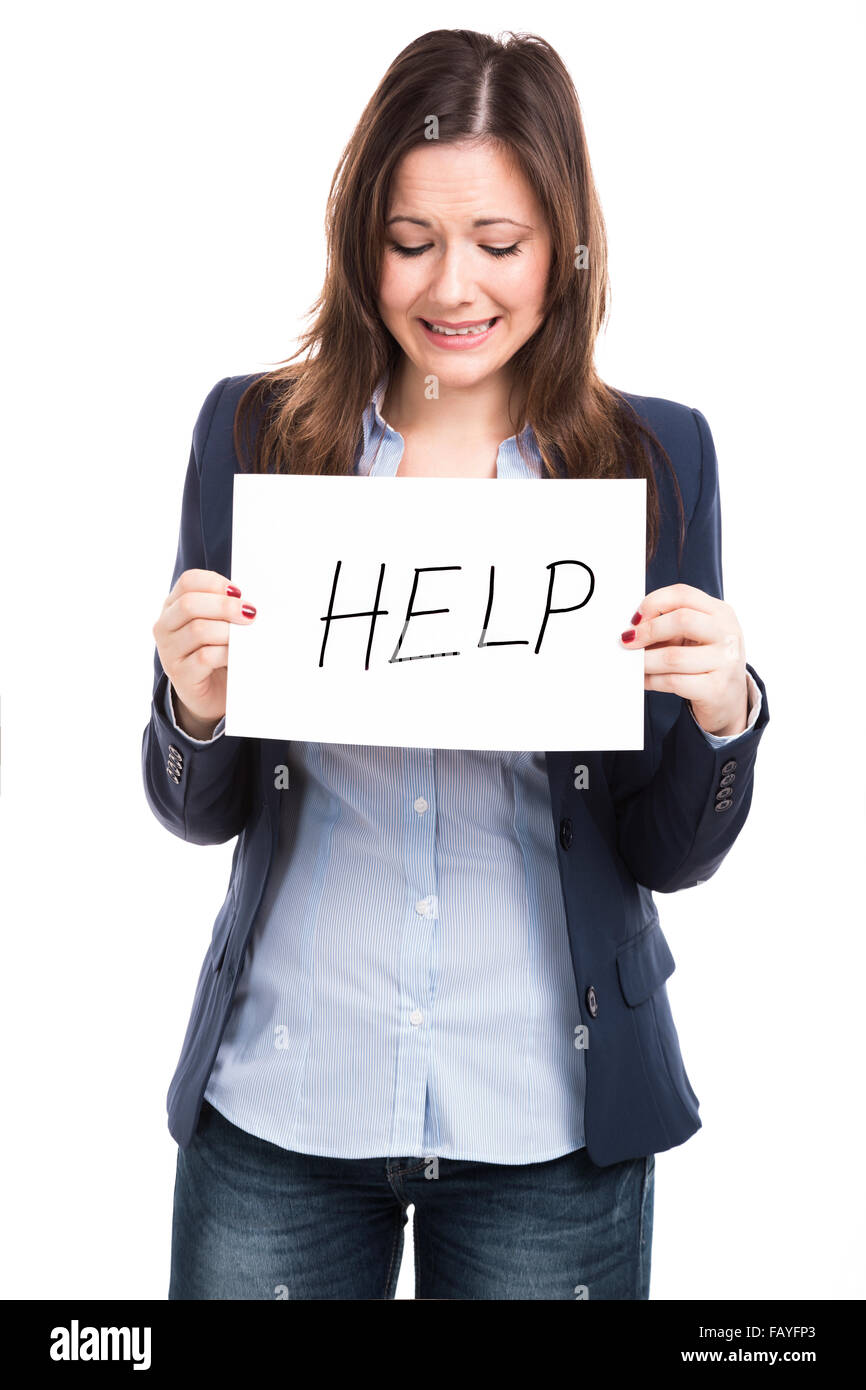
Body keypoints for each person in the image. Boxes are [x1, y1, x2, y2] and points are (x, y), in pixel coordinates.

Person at [143, 28, 770, 1301]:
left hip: (546, 1117)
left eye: (498, 243)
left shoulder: (657, 462)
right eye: (410, 241)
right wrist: (193, 708)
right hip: (285, 1101)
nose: (451, 286)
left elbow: (666, 852)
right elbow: (193, 809)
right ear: (359, 240)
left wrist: (720, 713)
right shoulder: (255, 434)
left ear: (562, 248)